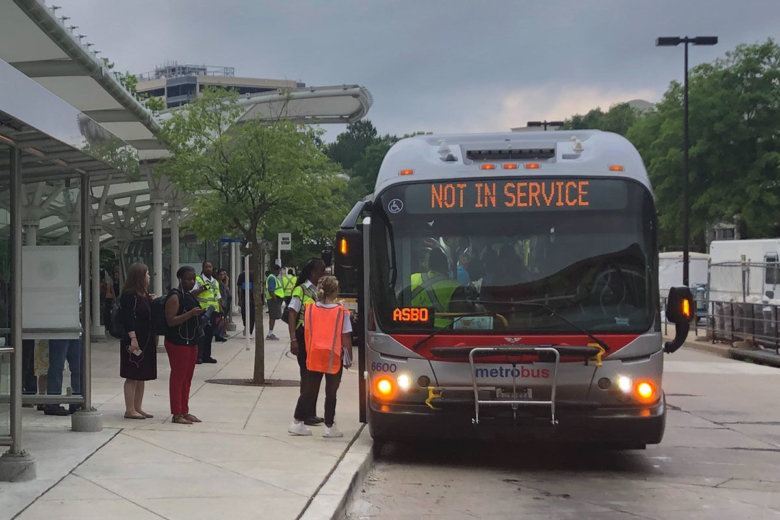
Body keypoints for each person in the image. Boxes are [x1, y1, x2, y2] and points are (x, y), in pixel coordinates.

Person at [289, 275, 352, 437]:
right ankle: (329, 427)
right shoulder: (341, 312)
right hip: (333, 356)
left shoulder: (310, 309)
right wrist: (348, 356)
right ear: (335, 291)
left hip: (314, 354)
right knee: (331, 393)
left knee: (309, 390)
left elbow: (307, 331)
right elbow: (345, 336)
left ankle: (297, 422)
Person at [287, 258, 326, 427]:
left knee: (315, 375)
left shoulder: (319, 292)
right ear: (312, 272)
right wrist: (293, 339)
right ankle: (303, 414)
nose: (323, 274)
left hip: (315, 338)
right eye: (321, 271)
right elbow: (292, 313)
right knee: (307, 375)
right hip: (303, 337)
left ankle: (311, 412)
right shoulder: (300, 290)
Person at [164, 266, 205, 425]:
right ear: (180, 279)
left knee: (187, 378)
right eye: (188, 279)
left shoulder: (188, 295)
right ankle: (176, 413)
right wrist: (190, 314)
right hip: (178, 342)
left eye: (193, 279)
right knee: (178, 377)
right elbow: (171, 320)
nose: (191, 281)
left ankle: (184, 410)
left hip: (191, 340)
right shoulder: (174, 297)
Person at [118, 262, 157, 420]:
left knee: (141, 374)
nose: (148, 276)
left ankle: (137, 406)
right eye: (146, 274)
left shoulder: (144, 294)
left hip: (146, 339)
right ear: (139, 276)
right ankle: (129, 409)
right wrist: (132, 338)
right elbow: (127, 318)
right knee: (132, 373)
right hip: (134, 339)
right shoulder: (129, 295)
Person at [410, 249, 460, 328]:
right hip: (444, 332)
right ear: (446, 266)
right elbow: (461, 316)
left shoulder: (412, 278)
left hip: (411, 328)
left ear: (429, 264)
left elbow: (399, 299)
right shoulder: (455, 286)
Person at [192, 260, 221, 364]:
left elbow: (218, 298)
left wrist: (220, 313)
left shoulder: (215, 282)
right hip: (202, 311)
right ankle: (199, 356)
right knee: (201, 335)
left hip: (213, 311)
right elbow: (193, 294)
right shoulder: (198, 280)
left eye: (210, 267)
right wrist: (203, 288)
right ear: (203, 268)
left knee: (209, 335)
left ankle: (207, 356)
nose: (209, 269)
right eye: (206, 267)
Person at [265, 264, 284, 340]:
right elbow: (271, 290)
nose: (279, 272)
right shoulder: (272, 278)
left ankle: (270, 333)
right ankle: (270, 334)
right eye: (279, 271)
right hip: (273, 300)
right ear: (275, 270)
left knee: (274, 316)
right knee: (273, 317)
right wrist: (275, 299)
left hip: (274, 300)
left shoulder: (273, 278)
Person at [237, 268, 255, 337]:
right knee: (251, 315)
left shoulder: (241, 275)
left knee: (244, 314)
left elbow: (239, 289)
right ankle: (249, 331)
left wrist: (239, 299)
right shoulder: (253, 275)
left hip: (244, 297)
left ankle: (247, 328)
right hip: (250, 298)